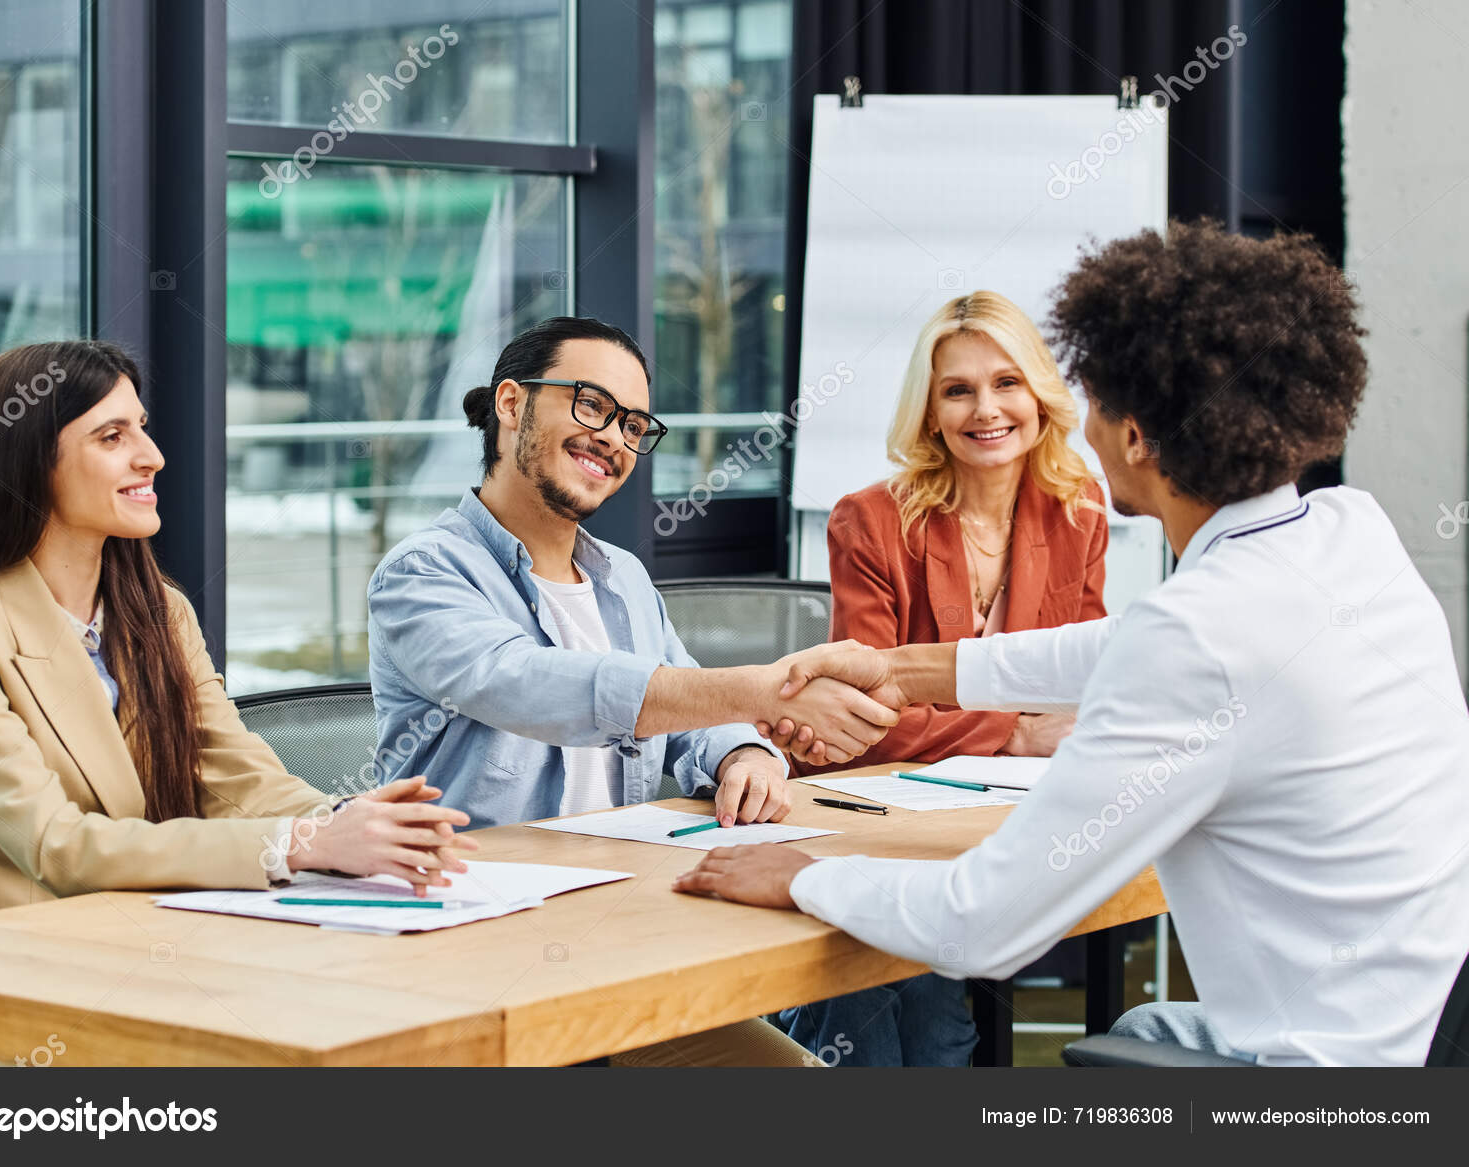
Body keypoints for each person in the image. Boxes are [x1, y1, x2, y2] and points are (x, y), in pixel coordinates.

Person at [674, 220, 1469, 1066]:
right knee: (1136, 1034)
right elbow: (1110, 643)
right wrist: (900, 668)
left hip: (1307, 1078)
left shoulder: (1195, 631)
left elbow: (982, 924)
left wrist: (797, 873)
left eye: (1088, 401)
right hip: (1419, 1031)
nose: (1077, 426)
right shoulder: (1352, 532)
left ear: (1134, 436)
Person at [367, 316, 896, 1066]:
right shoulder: (424, 572)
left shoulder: (622, 576)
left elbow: (690, 715)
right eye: (590, 405)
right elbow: (526, 685)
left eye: (634, 423)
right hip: (480, 953)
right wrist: (765, 690)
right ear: (512, 404)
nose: (613, 437)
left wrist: (745, 750)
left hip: (625, 928)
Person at [0, 340, 477, 929]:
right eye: (112, 437)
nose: (152, 455)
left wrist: (349, 823)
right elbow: (54, 844)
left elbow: (233, 774)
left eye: (141, 426)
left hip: (134, 932)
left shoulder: (160, 612)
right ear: (31, 463)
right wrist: (298, 844)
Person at [781, 291, 1109, 1067]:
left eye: (1007, 383)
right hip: (879, 817)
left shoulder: (1079, 510)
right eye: (957, 390)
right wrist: (1016, 730)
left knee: (926, 1015)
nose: (985, 409)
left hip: (1007, 823)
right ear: (928, 412)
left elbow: (1087, 692)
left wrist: (1038, 728)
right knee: (904, 1010)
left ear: (1039, 396)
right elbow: (858, 720)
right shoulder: (870, 521)